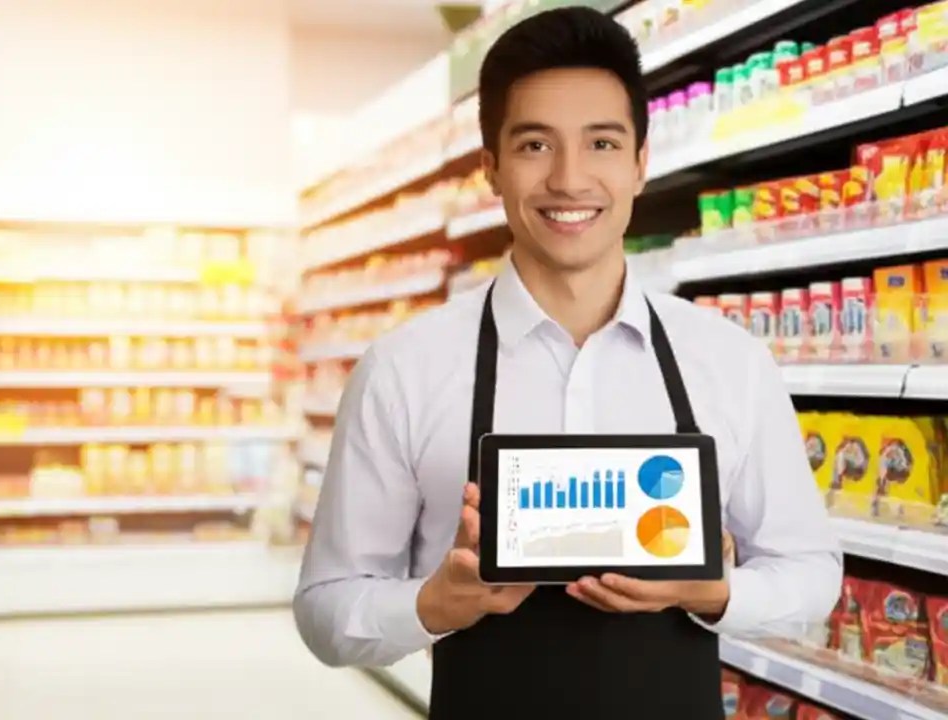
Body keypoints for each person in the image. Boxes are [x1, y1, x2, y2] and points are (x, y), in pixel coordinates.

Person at [292, 7, 842, 718]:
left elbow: (811, 574)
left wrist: (713, 592)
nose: (570, 178)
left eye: (602, 143)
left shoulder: (730, 362)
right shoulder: (403, 370)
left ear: (640, 163)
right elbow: (326, 610)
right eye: (534, 145)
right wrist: (436, 602)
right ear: (491, 168)